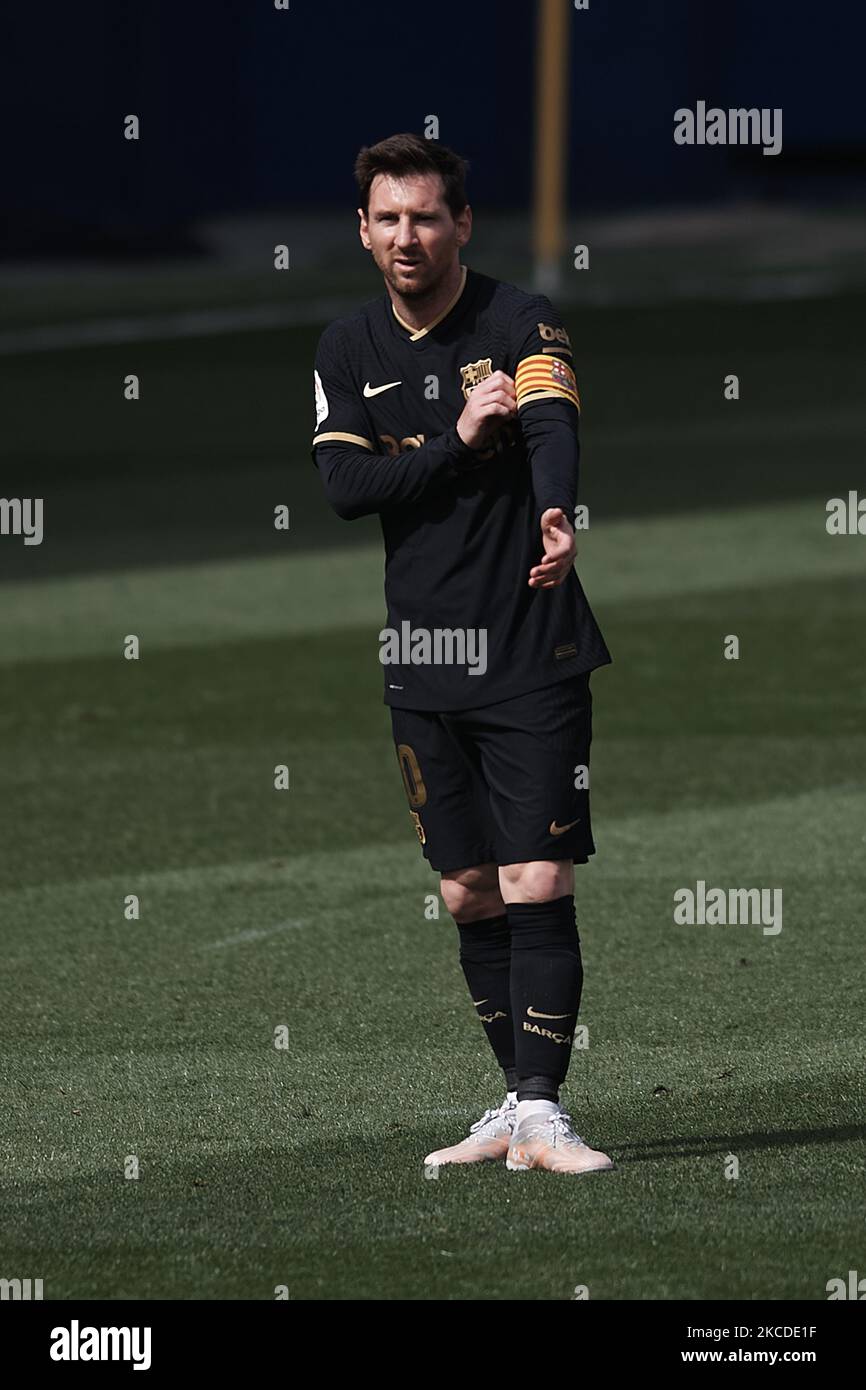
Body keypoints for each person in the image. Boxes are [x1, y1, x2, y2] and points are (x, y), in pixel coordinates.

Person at [312, 132, 614, 1174]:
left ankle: (541, 1105)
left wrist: (555, 511)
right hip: (421, 659)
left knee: (535, 874)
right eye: (388, 218)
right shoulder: (345, 348)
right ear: (363, 230)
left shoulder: (520, 319)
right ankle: (512, 1104)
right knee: (467, 891)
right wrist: (453, 443)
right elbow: (346, 489)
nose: (407, 235)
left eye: (425, 216)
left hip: (531, 642)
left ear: (460, 224)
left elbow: (548, 423)